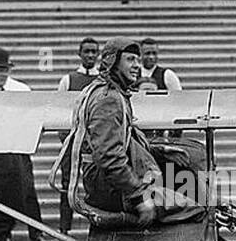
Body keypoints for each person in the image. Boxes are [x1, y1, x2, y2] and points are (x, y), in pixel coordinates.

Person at [65, 40, 194, 228]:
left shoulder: (112, 93)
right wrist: (139, 197)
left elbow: (122, 142)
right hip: (112, 191)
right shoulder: (108, 100)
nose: (137, 66)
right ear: (113, 63)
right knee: (199, 205)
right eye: (130, 59)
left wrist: (158, 150)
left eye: (138, 60)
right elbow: (109, 157)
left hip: (109, 184)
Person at [0, 46, 44, 241]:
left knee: (2, 221)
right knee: (0, 221)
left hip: (8, 168)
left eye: (6, 70)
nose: (4, 74)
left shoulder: (1, 93)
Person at [56, 38, 99, 233]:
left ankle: (97, 226)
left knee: (96, 185)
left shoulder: (103, 80)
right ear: (79, 54)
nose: (90, 55)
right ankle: (64, 228)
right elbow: (60, 111)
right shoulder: (69, 79)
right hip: (73, 141)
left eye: (93, 52)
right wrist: (67, 138)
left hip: (96, 143)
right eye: (87, 51)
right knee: (68, 183)